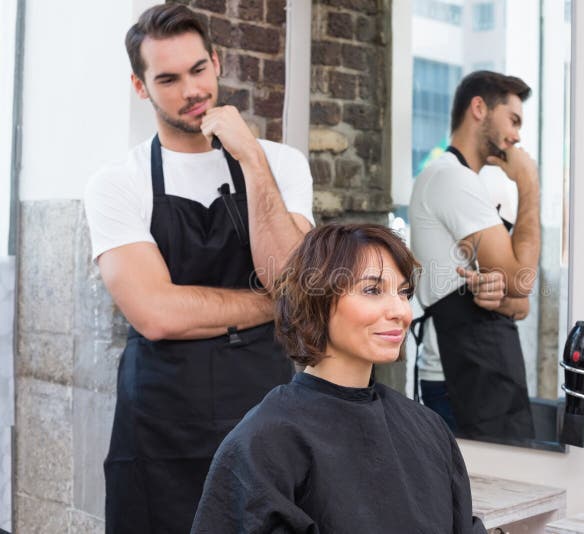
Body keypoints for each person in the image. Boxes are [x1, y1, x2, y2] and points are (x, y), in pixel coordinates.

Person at [83, 5, 314, 532]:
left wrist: (251, 158)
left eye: (198, 70)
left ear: (217, 61)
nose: (191, 89)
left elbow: (288, 276)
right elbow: (157, 314)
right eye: (167, 78)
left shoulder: (280, 163)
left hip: (263, 416)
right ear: (141, 88)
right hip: (159, 432)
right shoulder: (119, 181)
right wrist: (271, 304)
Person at [191, 224, 486, 533]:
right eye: (372, 290)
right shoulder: (266, 441)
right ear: (317, 299)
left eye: (403, 292)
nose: (400, 310)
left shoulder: (428, 428)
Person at [408, 71, 540, 441]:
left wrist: (503, 297)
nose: (516, 137)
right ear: (479, 108)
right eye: (513, 120)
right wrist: (529, 184)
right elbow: (521, 279)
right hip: (458, 381)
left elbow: (521, 302)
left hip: (486, 373)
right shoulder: (450, 178)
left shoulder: (472, 185)